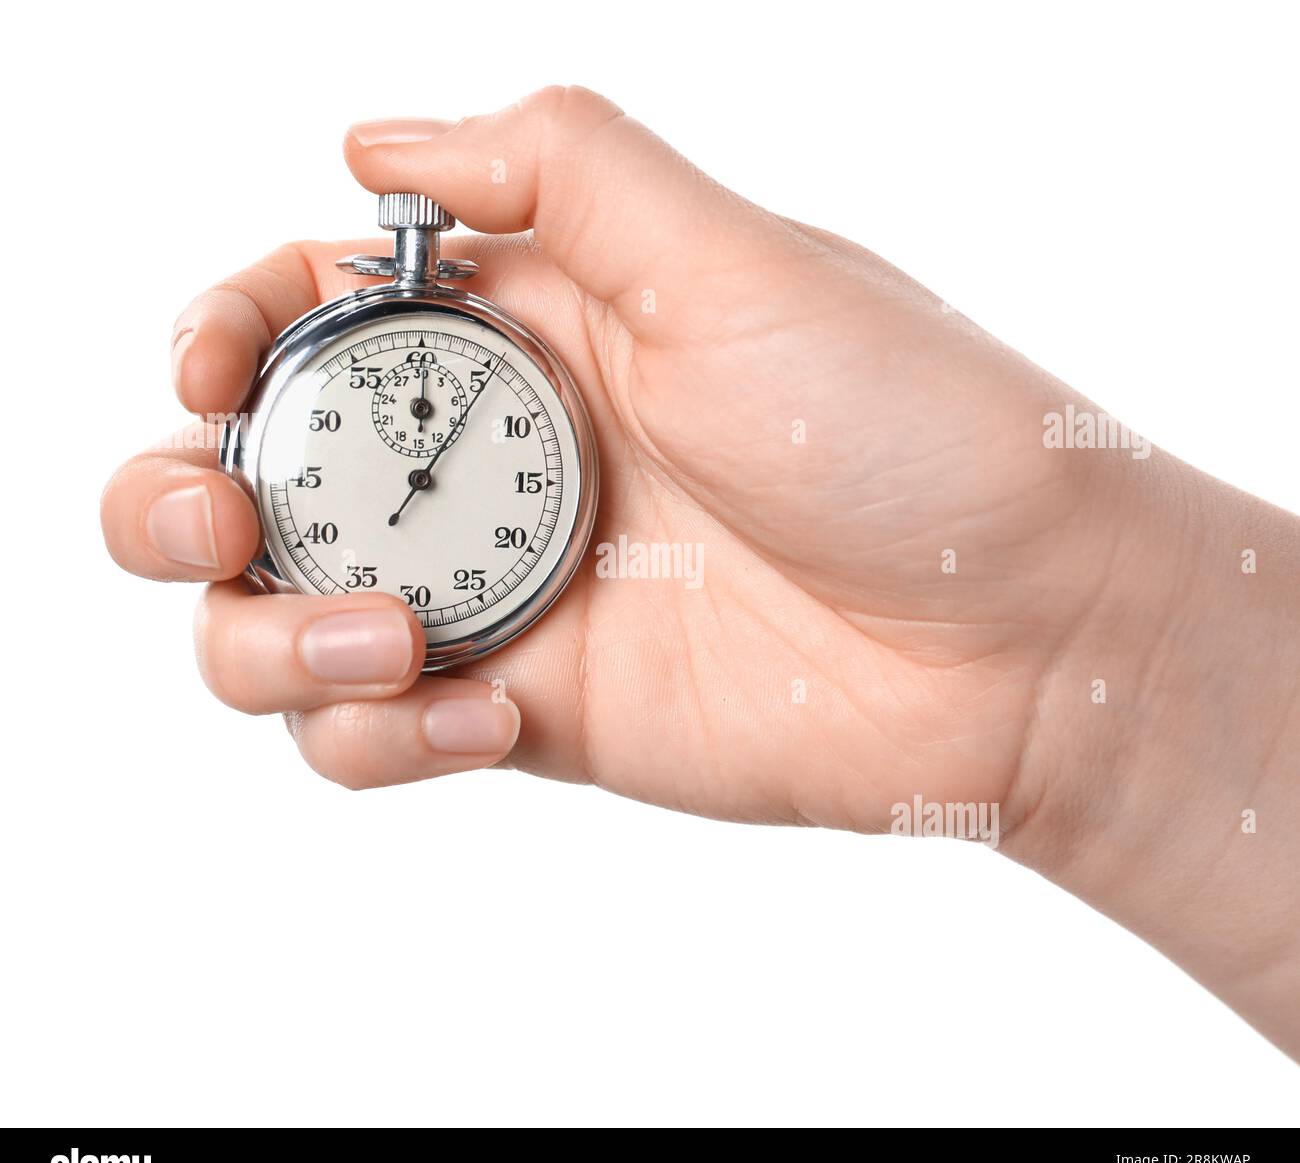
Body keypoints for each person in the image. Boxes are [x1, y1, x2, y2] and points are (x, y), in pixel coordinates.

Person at [100, 87, 1300, 1060]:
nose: (418, 482)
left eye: (441, 454)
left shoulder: (539, 380)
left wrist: (1079, 654)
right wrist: (1085, 671)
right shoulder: (396, 376)